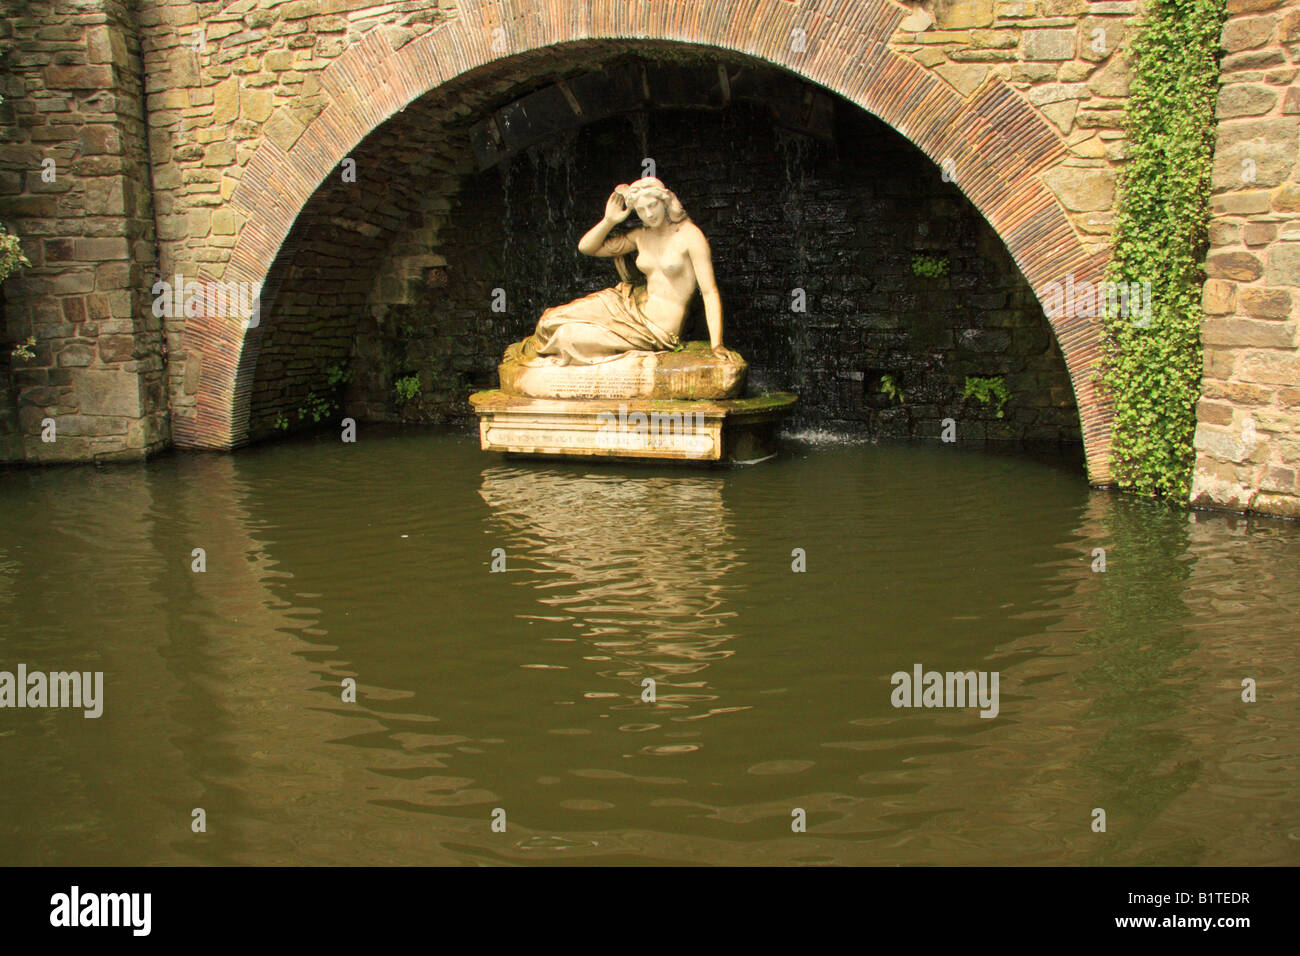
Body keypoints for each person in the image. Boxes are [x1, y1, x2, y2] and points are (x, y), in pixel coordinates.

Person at [504, 177, 730, 367]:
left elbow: (709, 292)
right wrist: (609, 220)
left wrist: (716, 344)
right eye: (641, 209)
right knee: (549, 319)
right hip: (627, 305)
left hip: (656, 329)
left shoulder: (690, 236)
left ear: (665, 201)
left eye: (652, 205)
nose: (648, 214)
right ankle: (532, 346)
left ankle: (539, 356)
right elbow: (587, 247)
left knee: (566, 336)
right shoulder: (641, 235)